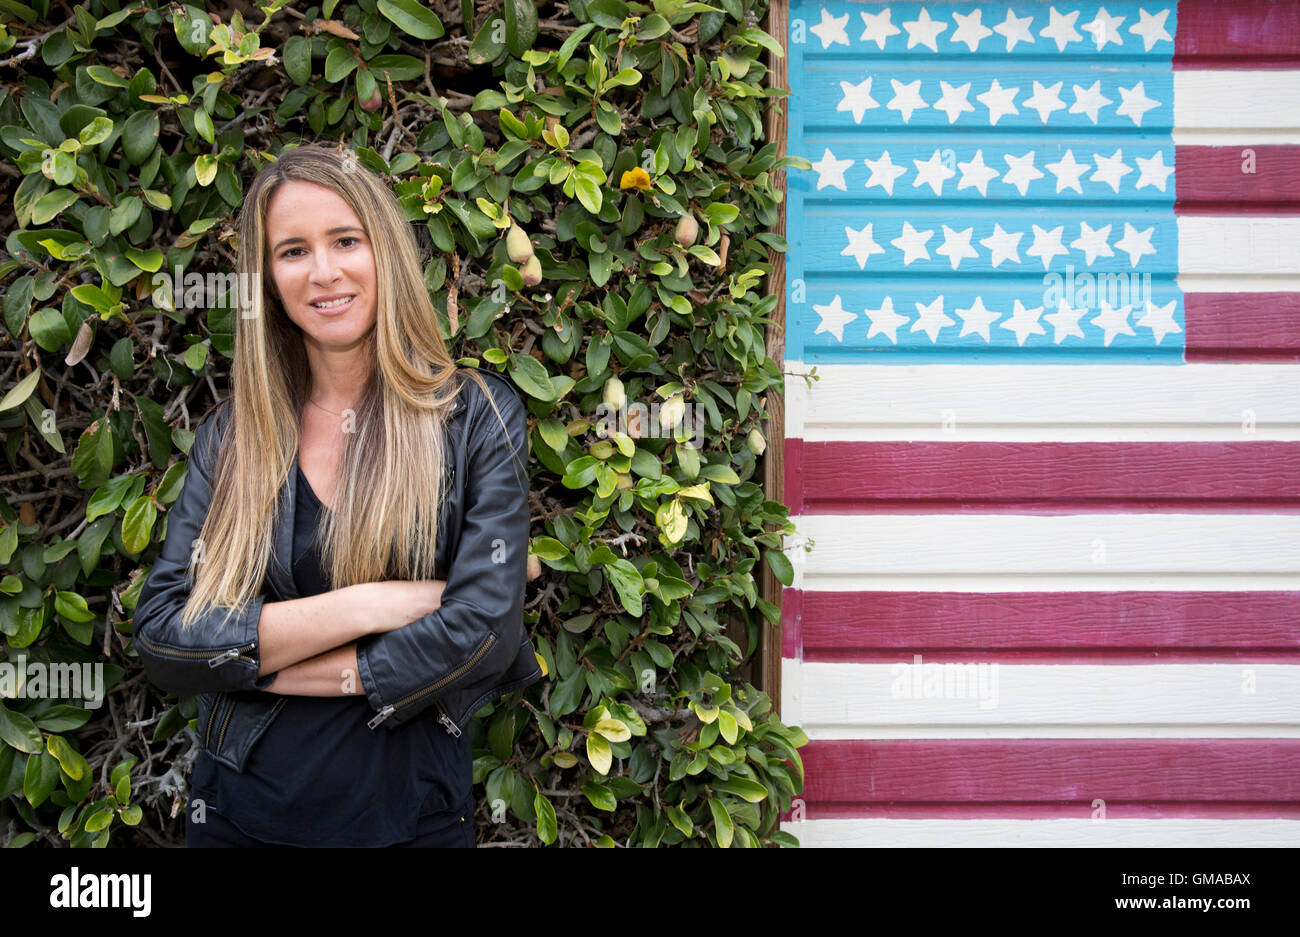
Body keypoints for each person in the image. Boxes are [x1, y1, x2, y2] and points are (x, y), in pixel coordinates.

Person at [131, 143, 542, 847]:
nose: (323, 272)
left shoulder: (475, 417)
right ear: (268, 281)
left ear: (382, 249)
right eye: (292, 251)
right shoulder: (233, 439)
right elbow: (165, 638)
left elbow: (485, 631)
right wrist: (373, 603)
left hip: (415, 822)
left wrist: (272, 665)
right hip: (238, 823)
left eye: (345, 240)